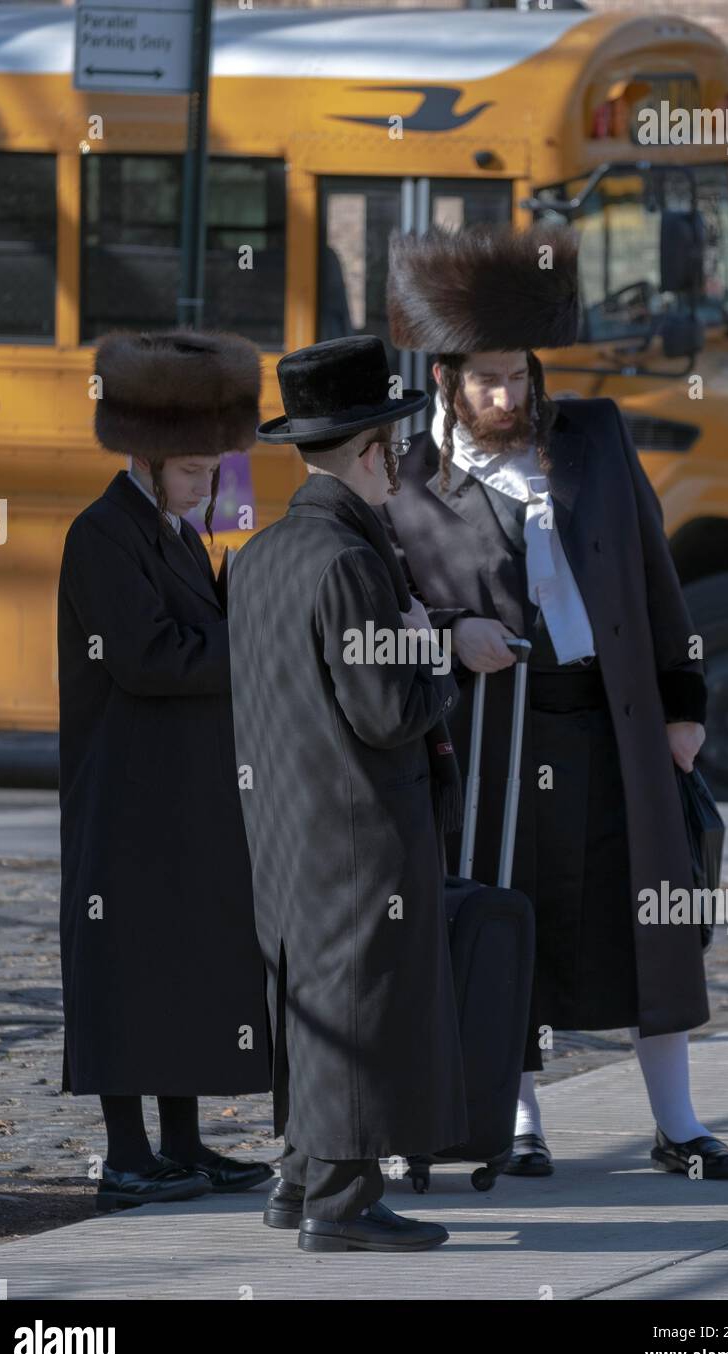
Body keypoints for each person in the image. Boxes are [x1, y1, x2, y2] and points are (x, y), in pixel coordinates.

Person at [382, 221, 728, 1181]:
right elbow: (394, 601)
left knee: (655, 922)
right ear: (446, 383)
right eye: (486, 380)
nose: (506, 395)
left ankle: (680, 1127)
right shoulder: (409, 479)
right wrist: (450, 632)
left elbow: (655, 573)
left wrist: (684, 702)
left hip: (616, 721)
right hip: (496, 733)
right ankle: (518, 1124)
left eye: (516, 374)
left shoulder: (594, 432)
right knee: (513, 917)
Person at [228, 335, 469, 1252]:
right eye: (397, 448)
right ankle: (341, 1204)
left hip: (287, 821)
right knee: (359, 1006)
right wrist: (429, 646)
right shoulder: (349, 562)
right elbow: (385, 710)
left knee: (312, 999)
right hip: (360, 825)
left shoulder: (261, 555)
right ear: (370, 453)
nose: (403, 463)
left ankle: (298, 1179)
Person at [57, 328, 275, 1212]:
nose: (210, 485)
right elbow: (148, 658)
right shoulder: (101, 534)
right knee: (126, 967)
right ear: (145, 459)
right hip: (126, 791)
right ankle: (126, 1157)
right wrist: (258, 643)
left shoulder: (180, 534)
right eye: (193, 470)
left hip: (185, 789)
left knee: (186, 961)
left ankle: (181, 1146)